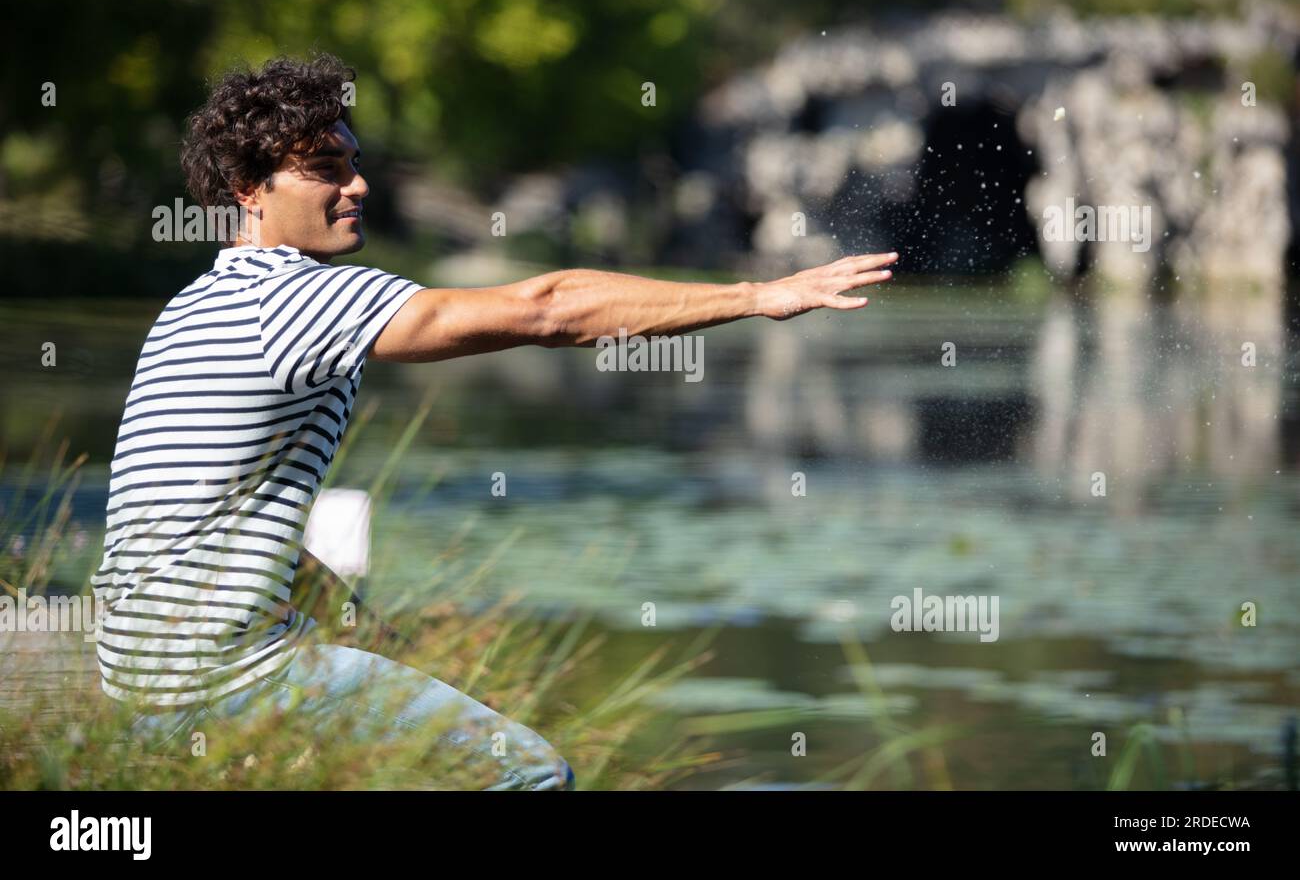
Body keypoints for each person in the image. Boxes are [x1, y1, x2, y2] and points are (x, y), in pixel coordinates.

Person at [90, 53, 898, 790]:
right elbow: (546, 309)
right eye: (326, 170)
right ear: (248, 190)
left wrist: (368, 634)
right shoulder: (294, 296)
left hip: (140, 677)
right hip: (223, 676)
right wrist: (756, 296)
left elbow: (218, 520)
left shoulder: (193, 307)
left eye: (356, 165)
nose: (358, 187)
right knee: (531, 776)